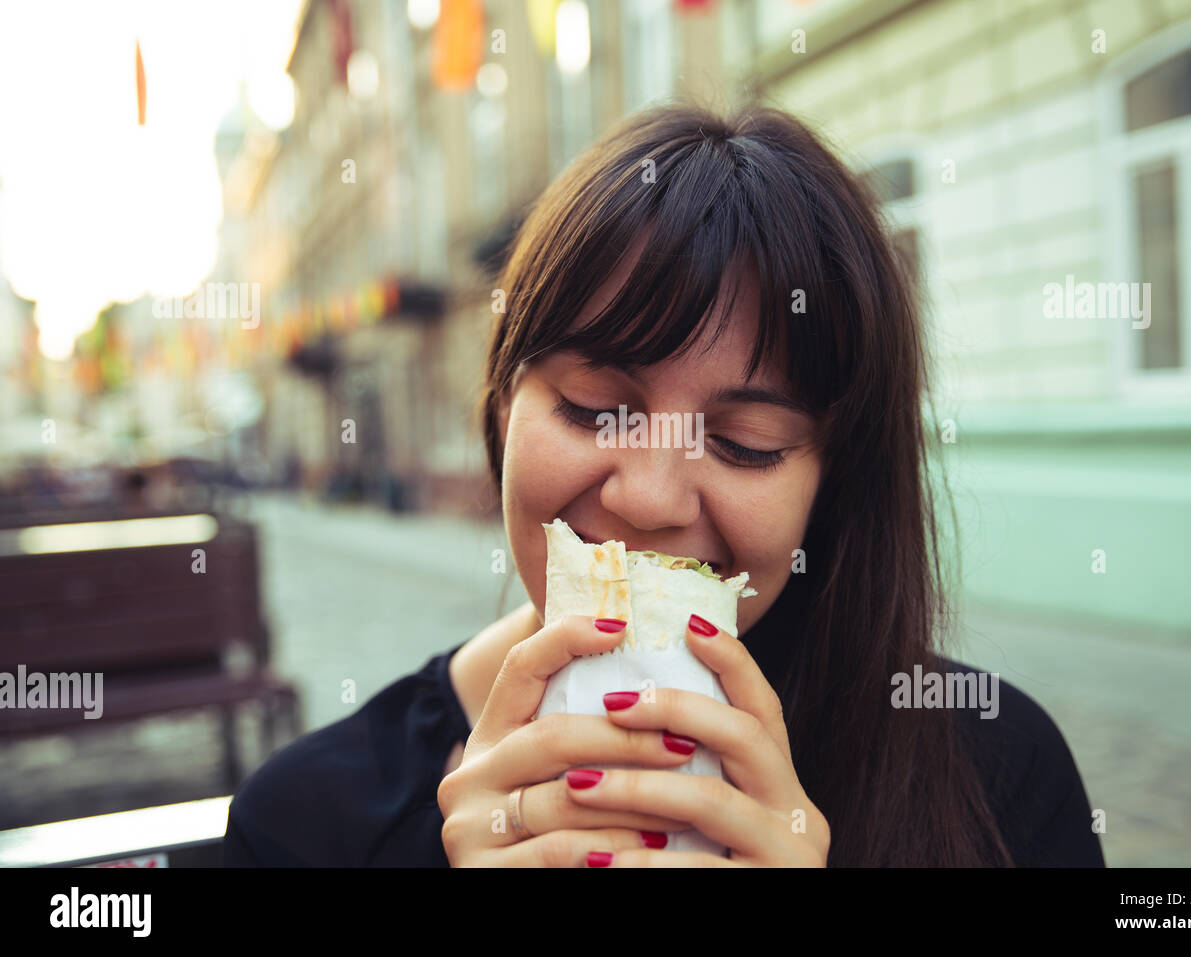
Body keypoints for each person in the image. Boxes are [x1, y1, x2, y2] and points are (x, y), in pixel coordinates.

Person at [223, 101, 1104, 867]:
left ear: (833, 485)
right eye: (593, 408)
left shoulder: (1001, 779)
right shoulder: (305, 825)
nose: (646, 499)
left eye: (743, 441)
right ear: (501, 407)